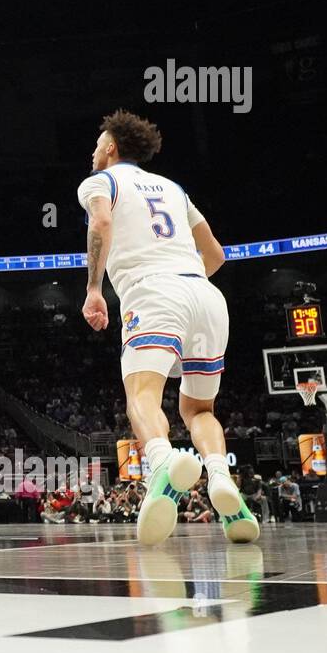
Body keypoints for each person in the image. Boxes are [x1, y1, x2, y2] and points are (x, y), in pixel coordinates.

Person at [78, 110, 257, 546]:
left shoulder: (100, 182)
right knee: (199, 411)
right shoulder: (175, 189)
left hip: (152, 293)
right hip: (205, 294)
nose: (94, 149)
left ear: (111, 148)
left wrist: (94, 289)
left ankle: (161, 468)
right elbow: (215, 254)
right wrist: (186, 286)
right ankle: (220, 477)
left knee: (141, 397)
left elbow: (101, 223)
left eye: (98, 142)